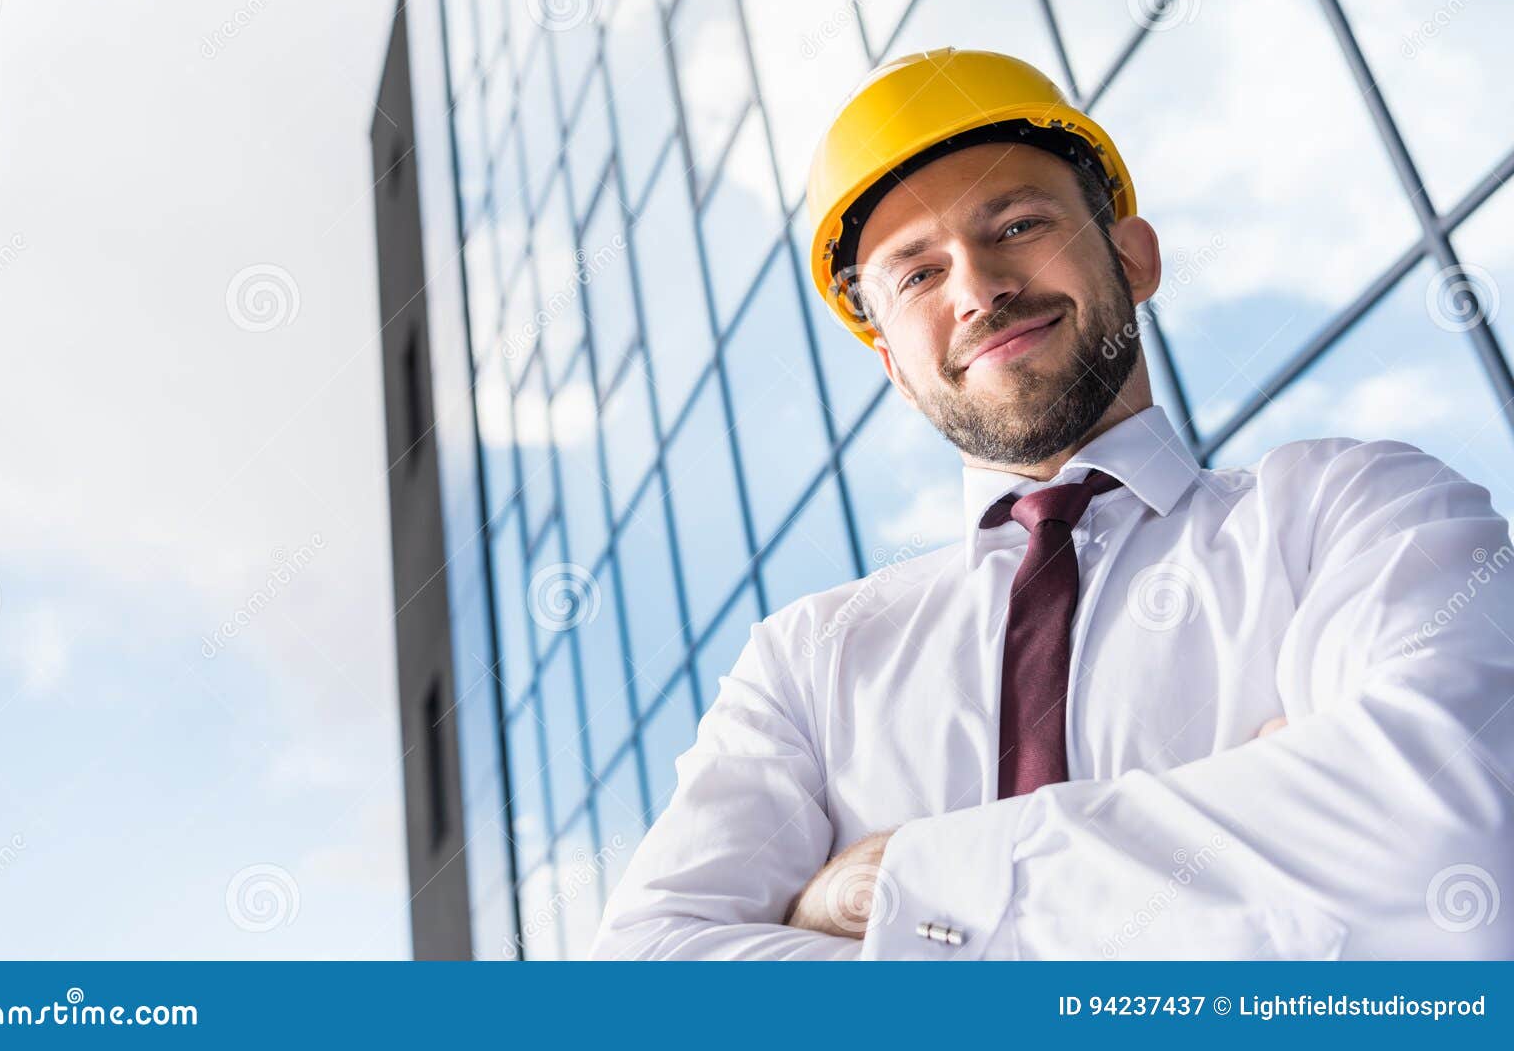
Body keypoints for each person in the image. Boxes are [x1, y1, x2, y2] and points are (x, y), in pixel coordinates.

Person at [589, 48, 1514, 960]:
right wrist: (1271, 836)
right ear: (894, 372)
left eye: (1020, 225)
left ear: (1132, 256)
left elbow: (1454, 831)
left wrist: (893, 892)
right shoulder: (807, 666)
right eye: (917, 275)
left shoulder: (1351, 511)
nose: (980, 289)